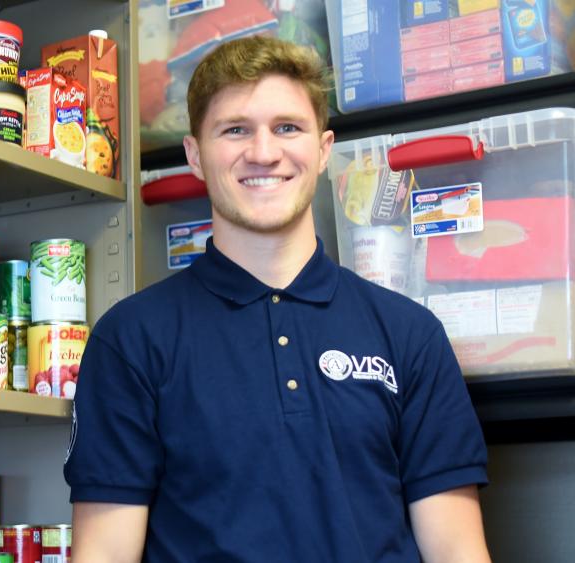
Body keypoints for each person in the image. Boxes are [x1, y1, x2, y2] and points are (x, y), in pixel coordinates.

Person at [63, 36, 491, 562]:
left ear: (324, 149)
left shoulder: (409, 334)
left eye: (287, 127)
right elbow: (103, 555)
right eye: (235, 130)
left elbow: (457, 552)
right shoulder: (131, 339)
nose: (264, 153)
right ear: (195, 155)